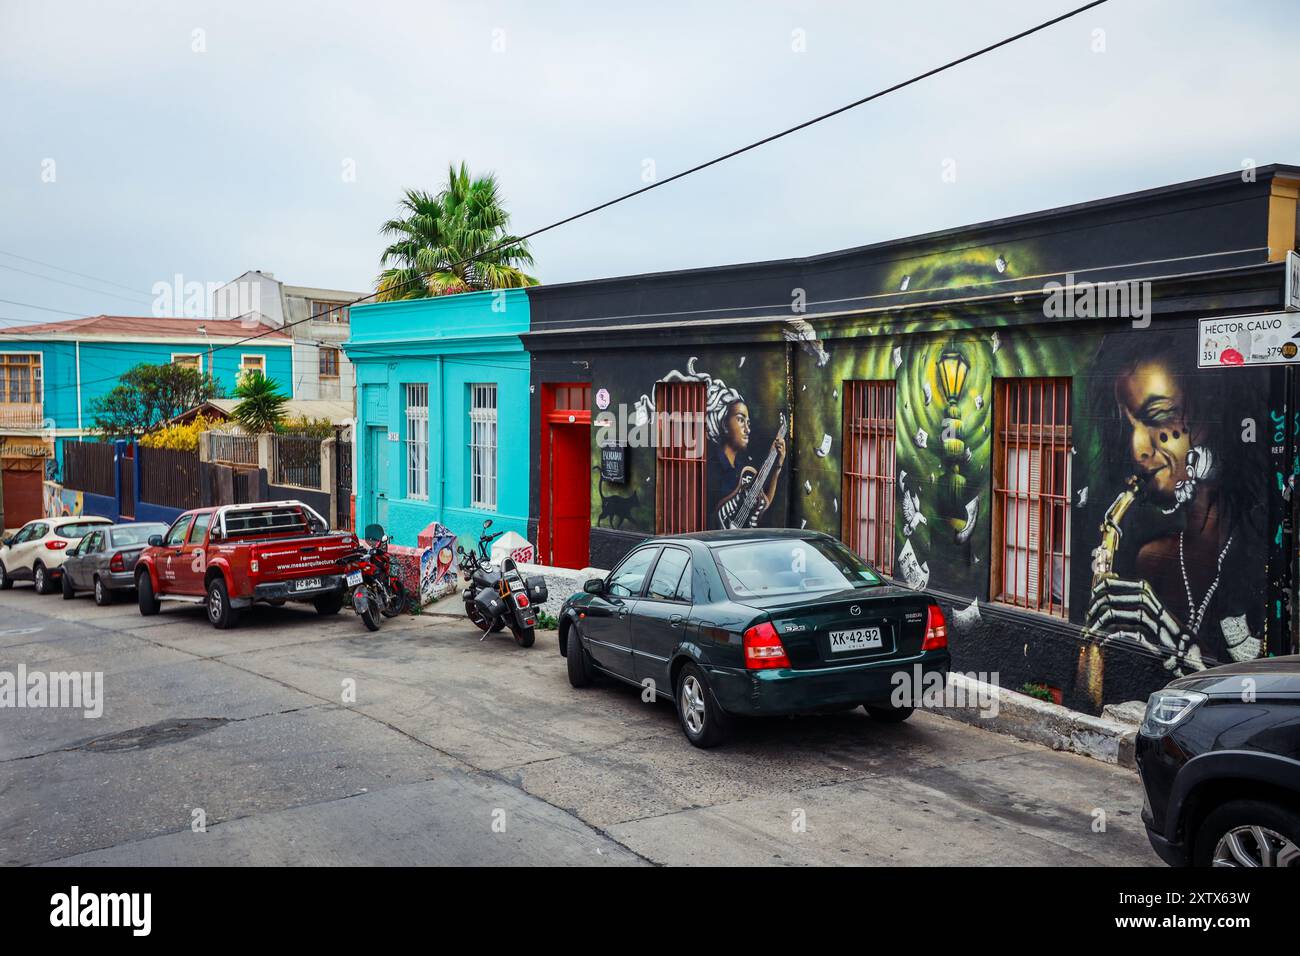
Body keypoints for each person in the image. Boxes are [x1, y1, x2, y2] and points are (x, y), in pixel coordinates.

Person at [1086, 334, 1265, 673]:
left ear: (1210, 419)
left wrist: (1166, 632)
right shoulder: (1152, 559)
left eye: (1159, 417)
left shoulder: (1256, 551)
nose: (1138, 449)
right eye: (1131, 425)